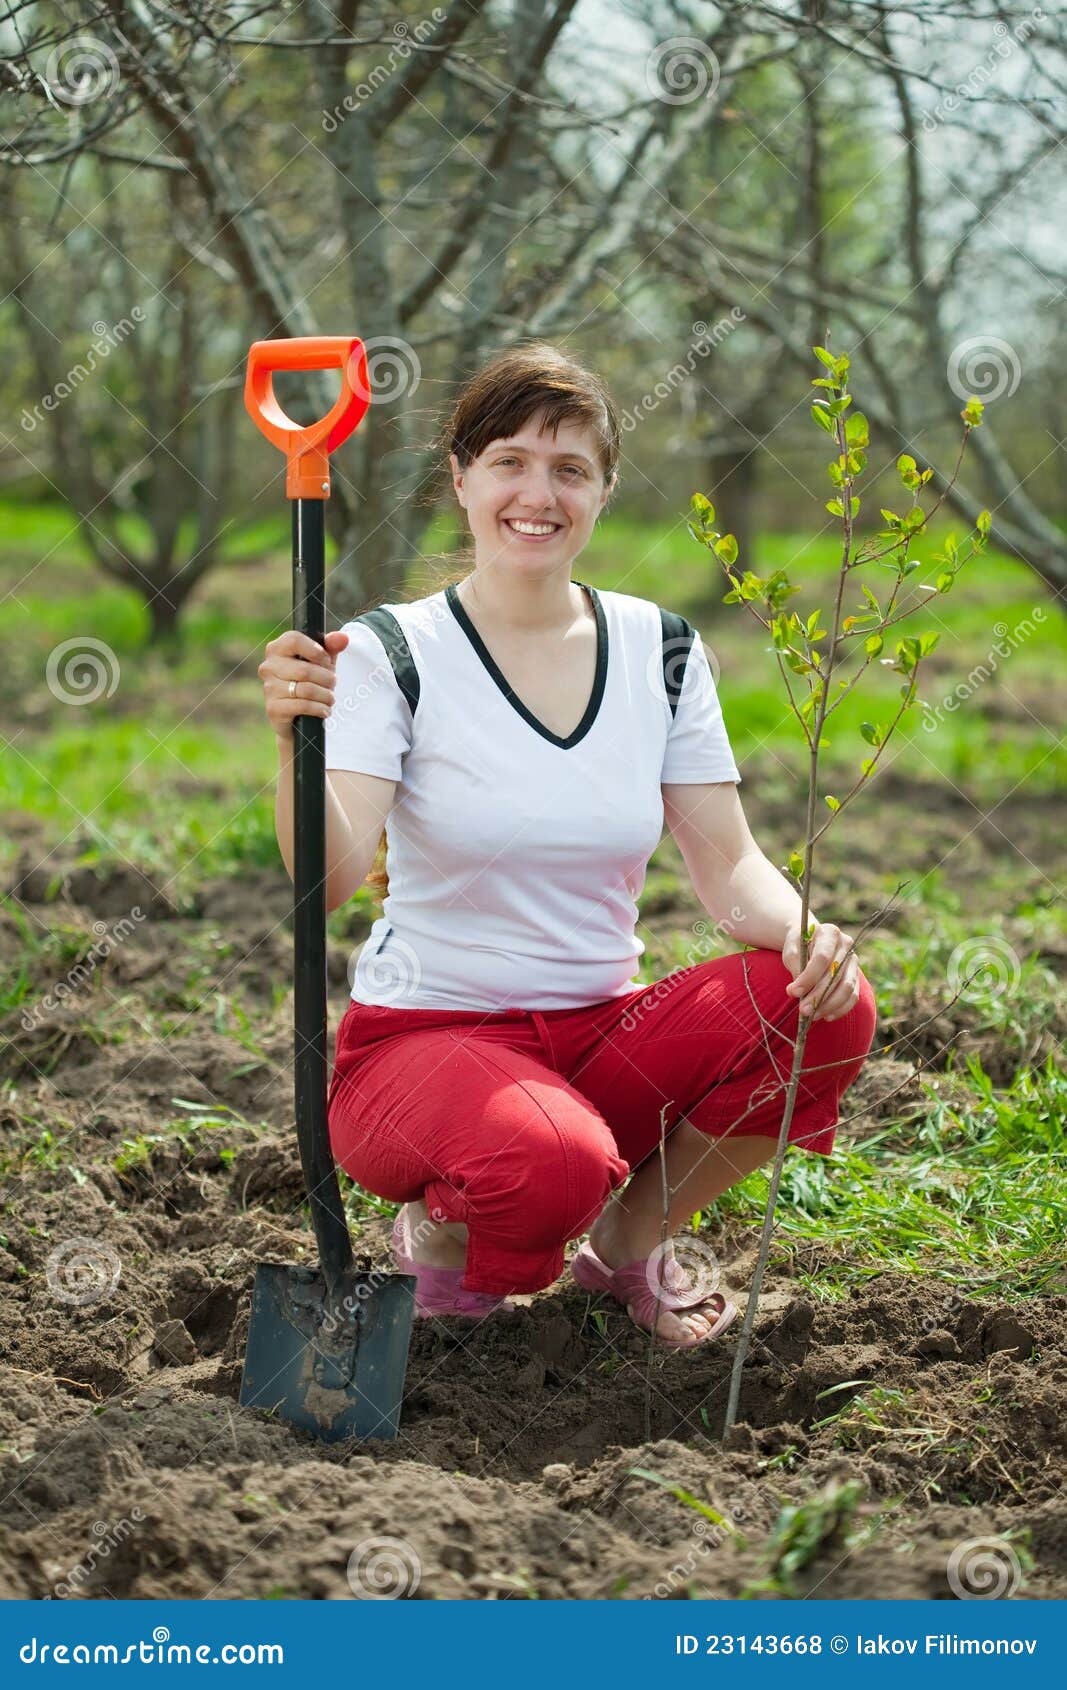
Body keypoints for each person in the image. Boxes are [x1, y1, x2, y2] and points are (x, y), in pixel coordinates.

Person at [258, 342, 877, 1351]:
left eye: (568, 468)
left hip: (598, 1038)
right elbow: (324, 883)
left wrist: (804, 929)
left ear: (603, 489)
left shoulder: (662, 650)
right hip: (421, 1048)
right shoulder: (389, 653)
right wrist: (295, 738)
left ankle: (627, 1244)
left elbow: (726, 867)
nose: (535, 493)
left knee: (825, 1006)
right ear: (460, 479)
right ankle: (447, 1231)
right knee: (548, 1160)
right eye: (508, 460)